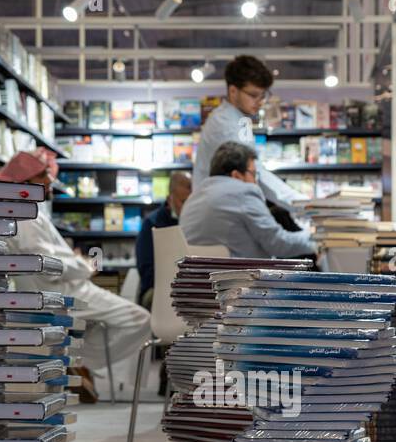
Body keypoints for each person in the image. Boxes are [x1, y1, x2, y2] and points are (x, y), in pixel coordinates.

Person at [0, 148, 151, 400]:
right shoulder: (22, 215)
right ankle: (75, 359)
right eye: (43, 175)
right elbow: (45, 262)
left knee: (97, 328)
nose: (49, 180)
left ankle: (74, 357)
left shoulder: (24, 210)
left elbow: (47, 254)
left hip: (59, 287)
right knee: (139, 319)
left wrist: (77, 262)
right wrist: (84, 266)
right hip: (63, 291)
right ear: (25, 181)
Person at [193, 54, 305, 210]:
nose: (260, 102)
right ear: (233, 91)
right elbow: (251, 169)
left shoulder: (237, 118)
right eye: (253, 95)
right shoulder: (227, 125)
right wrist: (301, 203)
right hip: (219, 211)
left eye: (263, 95)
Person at [180, 142, 317, 260]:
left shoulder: (193, 197)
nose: (256, 181)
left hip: (196, 283)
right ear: (236, 175)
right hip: (241, 284)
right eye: (253, 174)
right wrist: (319, 237)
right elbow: (278, 244)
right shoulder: (242, 192)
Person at [134, 171, 192, 310]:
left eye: (191, 202)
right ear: (169, 198)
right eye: (183, 201)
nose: (187, 207)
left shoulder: (196, 222)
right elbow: (146, 270)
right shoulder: (152, 223)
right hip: (157, 288)